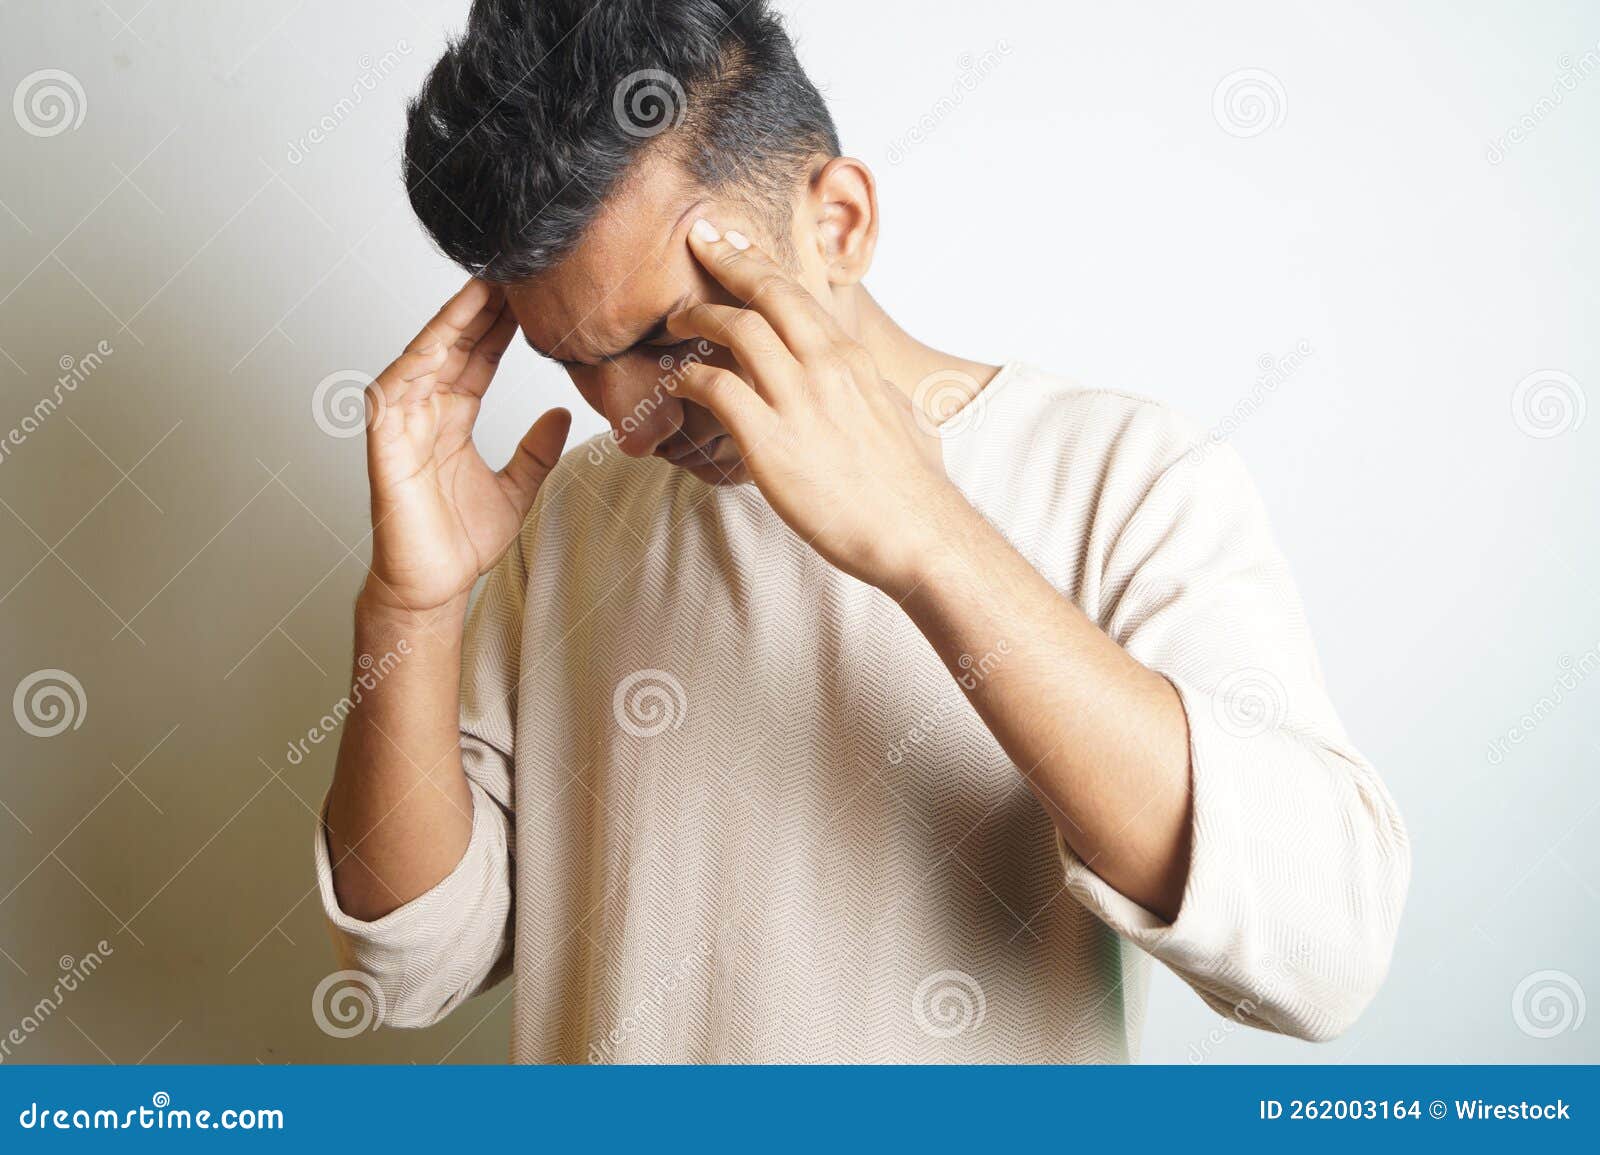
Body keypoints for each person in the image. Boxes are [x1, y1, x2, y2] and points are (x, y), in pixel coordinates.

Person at [314, 0, 1410, 1062]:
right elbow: (415, 969)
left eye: (665, 338)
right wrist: (411, 608)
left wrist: (926, 537)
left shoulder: (1124, 476)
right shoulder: (566, 520)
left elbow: (1326, 952)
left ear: (836, 224)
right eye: (574, 363)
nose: (630, 426)